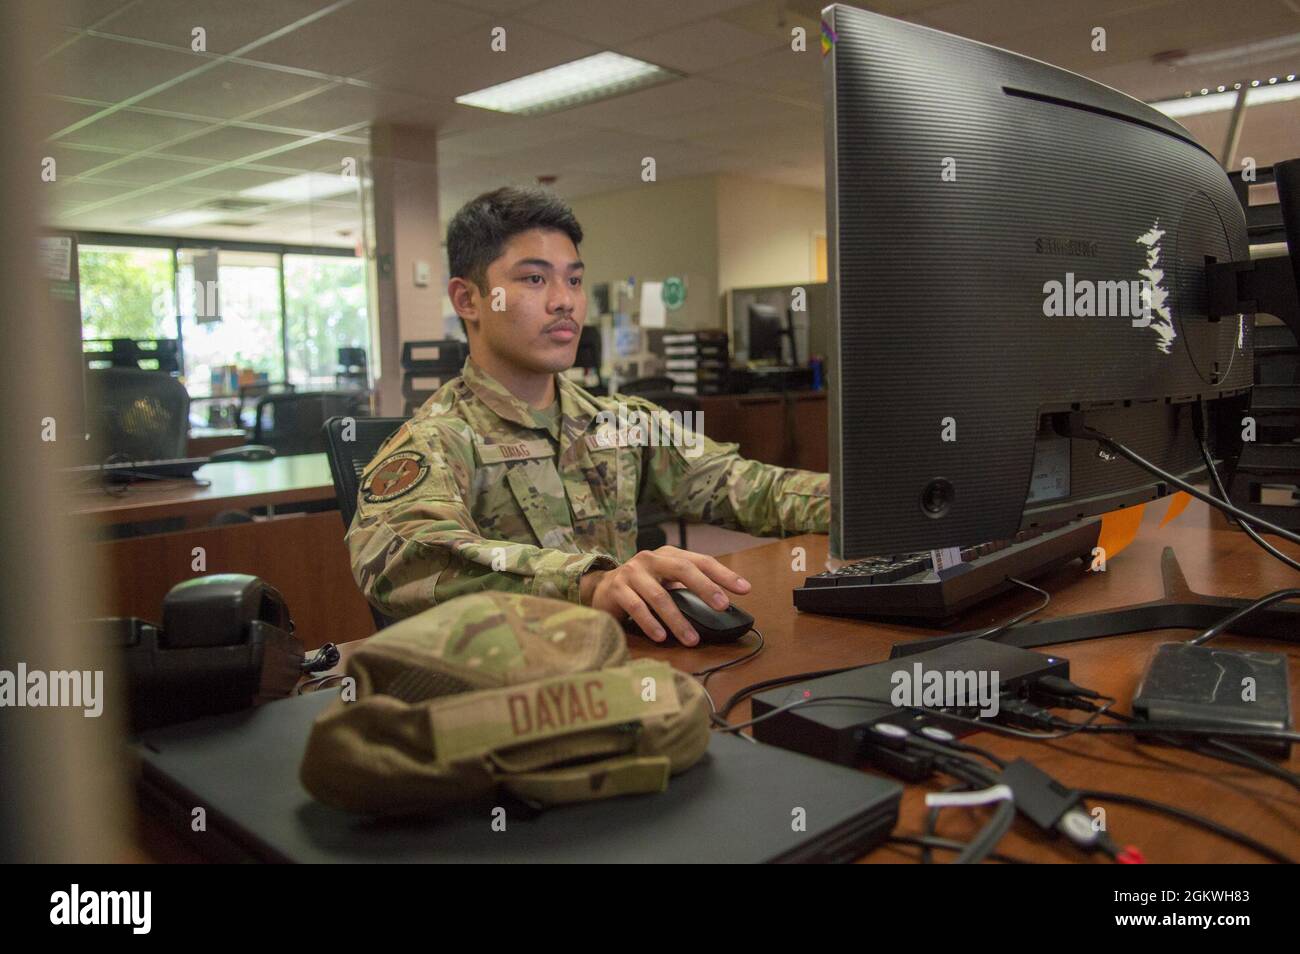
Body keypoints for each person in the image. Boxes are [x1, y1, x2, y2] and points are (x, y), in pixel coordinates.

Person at [348, 186, 828, 646]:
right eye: (535, 279)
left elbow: (748, 487)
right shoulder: (438, 438)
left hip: (624, 666)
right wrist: (591, 586)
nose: (565, 301)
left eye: (574, 280)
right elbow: (403, 557)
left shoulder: (616, 422)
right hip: (508, 694)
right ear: (467, 299)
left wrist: (867, 503)